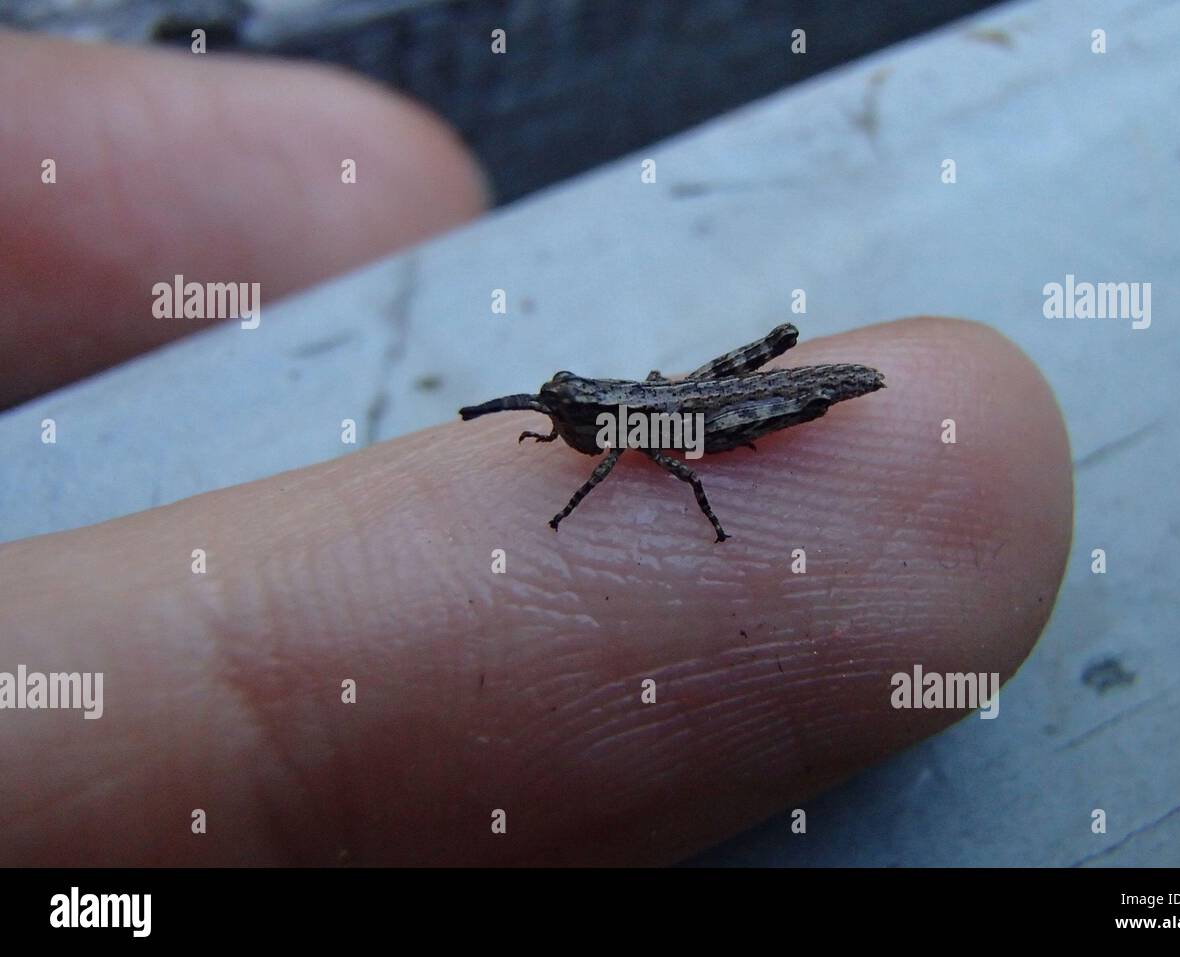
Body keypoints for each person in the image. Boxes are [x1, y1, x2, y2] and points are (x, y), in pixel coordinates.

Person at [0, 29, 1072, 865]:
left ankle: (813, 390)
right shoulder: (585, 418)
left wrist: (630, 493)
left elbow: (631, 458)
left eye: (563, 412)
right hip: (666, 412)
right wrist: (531, 423)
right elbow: (584, 431)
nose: (559, 422)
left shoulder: (620, 437)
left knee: (719, 404)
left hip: (704, 415)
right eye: (555, 413)